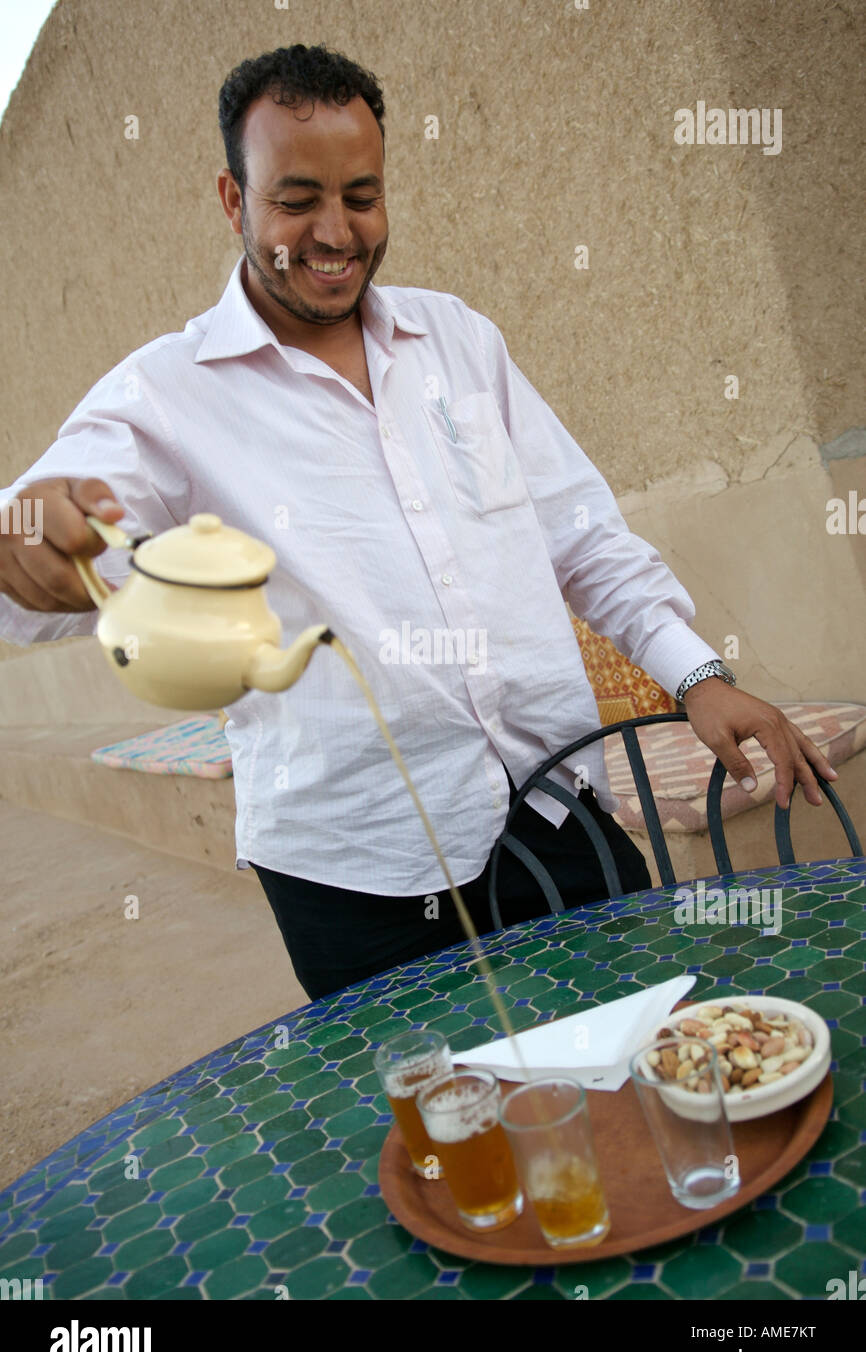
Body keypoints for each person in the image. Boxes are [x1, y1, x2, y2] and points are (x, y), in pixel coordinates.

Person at [0, 45, 836, 1000]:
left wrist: (697, 676)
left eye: (362, 195)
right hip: (357, 883)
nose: (334, 232)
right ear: (234, 201)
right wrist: (29, 542)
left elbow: (583, 534)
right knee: (451, 1135)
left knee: (648, 1078)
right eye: (296, 198)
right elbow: (41, 526)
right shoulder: (164, 395)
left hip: (558, 819)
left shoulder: (460, 342)